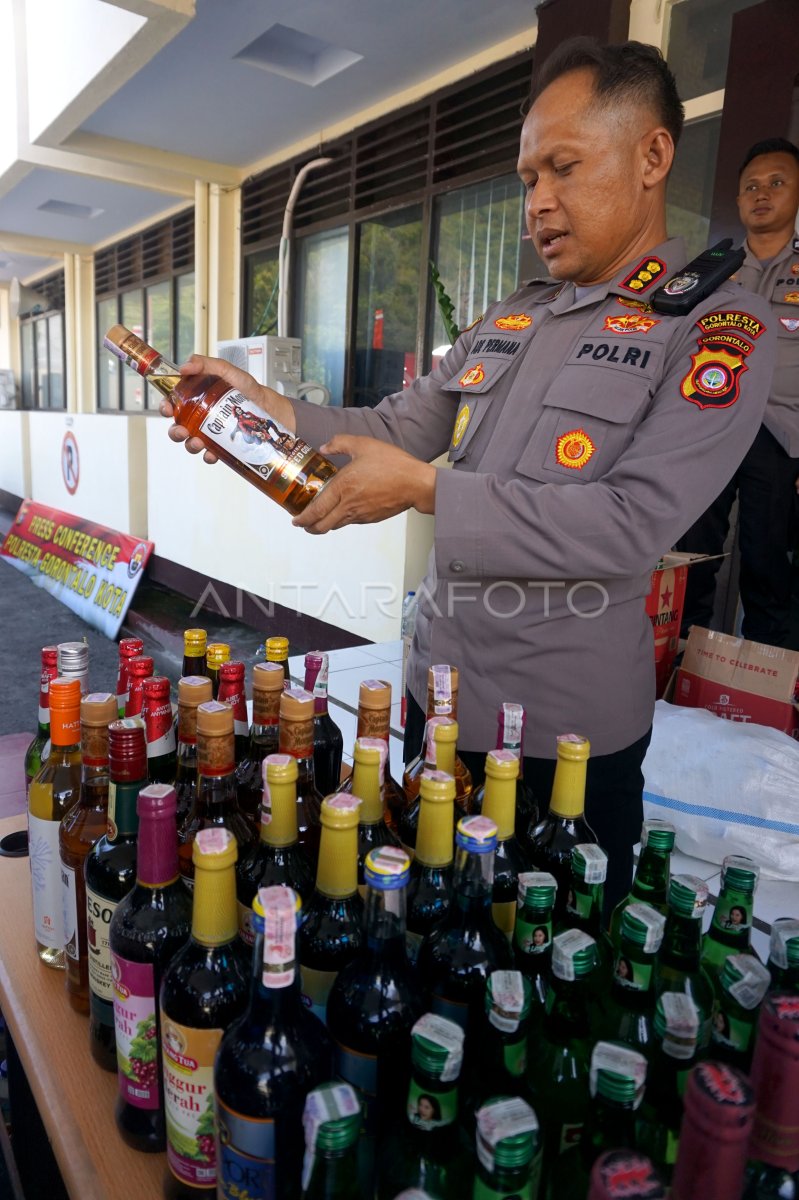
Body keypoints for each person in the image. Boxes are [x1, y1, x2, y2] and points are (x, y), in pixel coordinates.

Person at [160, 38, 775, 913]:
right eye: (528, 180)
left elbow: (629, 522)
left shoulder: (716, 325)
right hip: (439, 704)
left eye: (563, 167)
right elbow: (393, 427)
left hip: (564, 743)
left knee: (538, 967)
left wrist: (424, 489)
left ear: (651, 156)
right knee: (422, 939)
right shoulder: (513, 315)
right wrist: (264, 406)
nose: (540, 203)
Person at [676, 138, 799, 647]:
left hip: (782, 439)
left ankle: (768, 699)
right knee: (693, 557)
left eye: (776, 182)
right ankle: (679, 672)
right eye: (751, 186)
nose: (761, 193)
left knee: (769, 566)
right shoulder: (712, 270)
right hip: (711, 428)